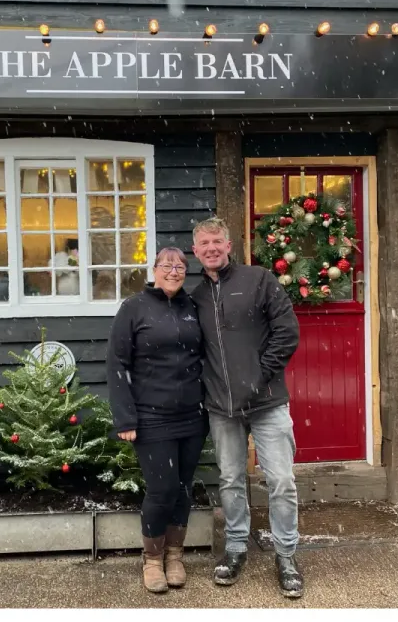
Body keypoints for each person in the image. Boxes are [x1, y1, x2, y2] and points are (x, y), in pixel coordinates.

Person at [189, 216, 303, 598]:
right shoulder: (196, 298)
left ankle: (286, 554)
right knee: (231, 480)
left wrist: (260, 376)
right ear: (195, 251)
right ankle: (236, 547)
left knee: (281, 481)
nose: (211, 248)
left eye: (216, 241)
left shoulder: (259, 280)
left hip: (268, 402)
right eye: (203, 243)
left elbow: (287, 331)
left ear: (228, 244)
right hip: (222, 407)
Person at [107, 247, 207, 593]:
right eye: (167, 265)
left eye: (180, 266)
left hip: (192, 416)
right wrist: (125, 417)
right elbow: (117, 364)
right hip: (151, 416)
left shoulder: (193, 307)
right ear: (154, 269)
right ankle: (152, 559)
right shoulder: (134, 308)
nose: (174, 271)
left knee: (182, 487)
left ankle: (175, 556)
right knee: (162, 488)